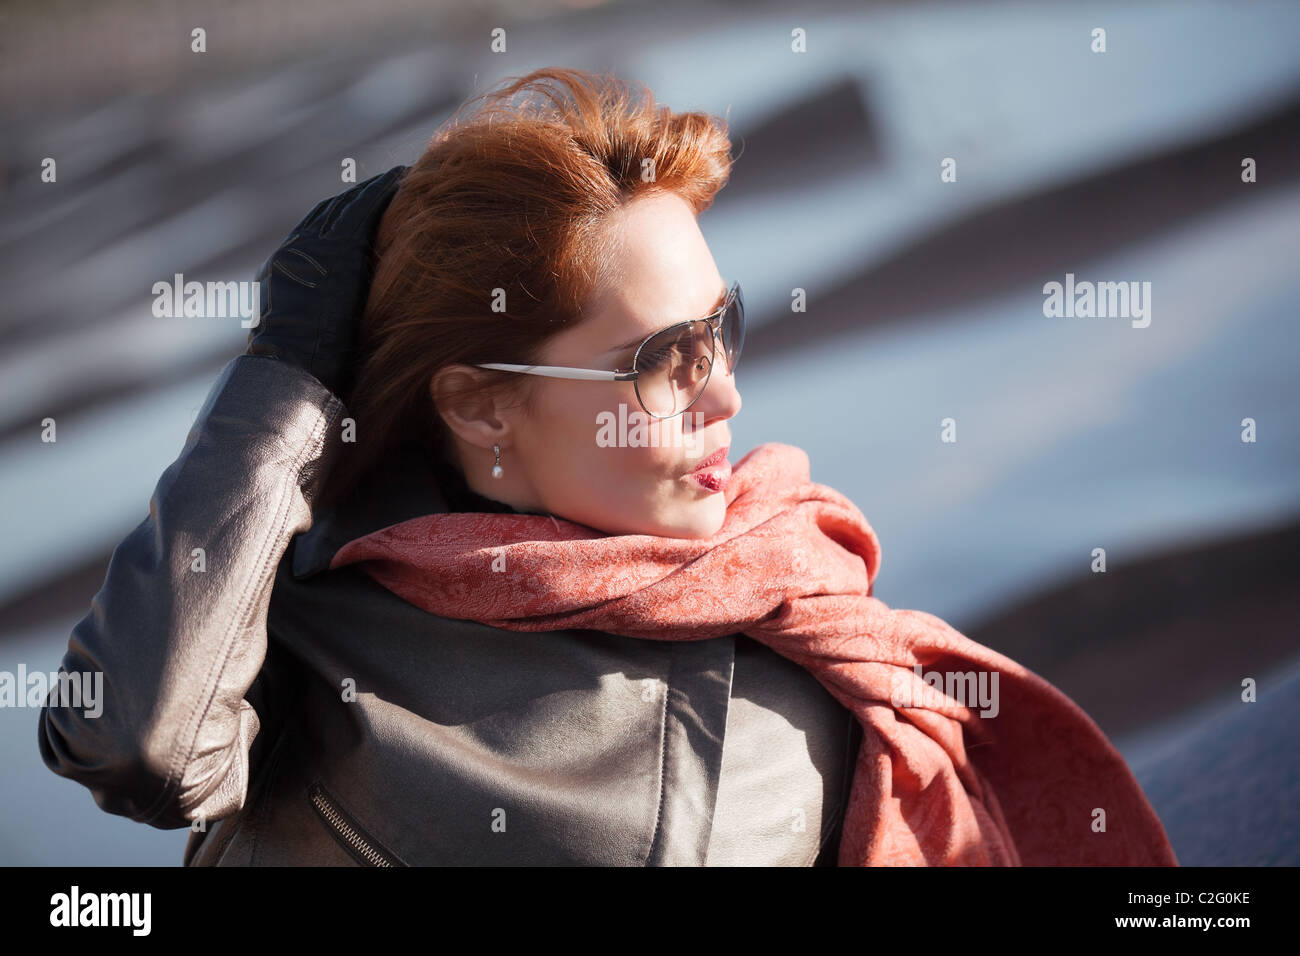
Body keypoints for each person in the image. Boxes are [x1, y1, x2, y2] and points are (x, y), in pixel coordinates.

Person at [37, 67, 861, 866]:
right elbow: (134, 744)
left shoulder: (817, 637)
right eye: (663, 359)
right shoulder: (303, 607)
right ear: (478, 405)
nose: (725, 397)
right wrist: (287, 379)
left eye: (721, 328)